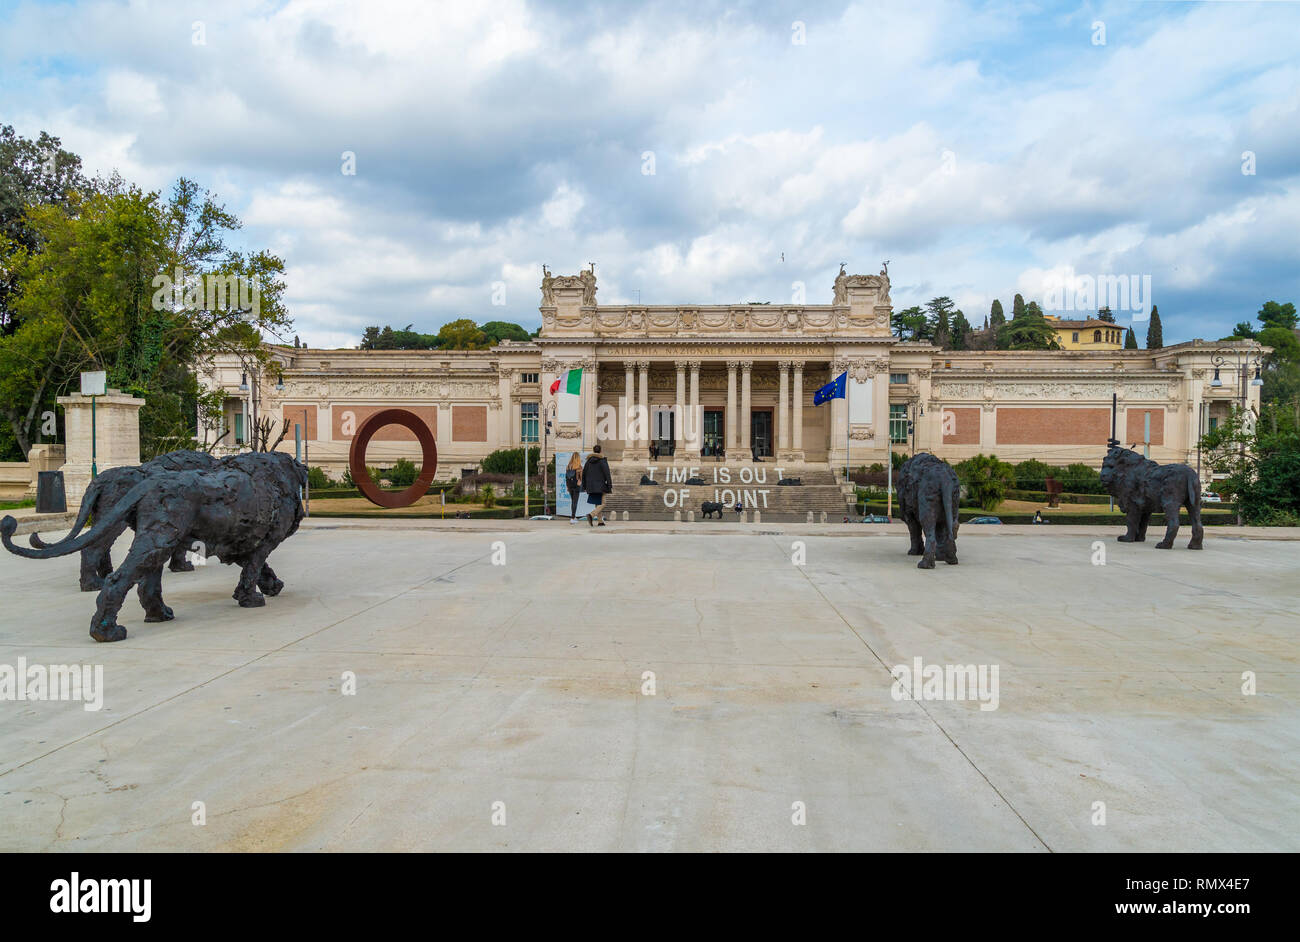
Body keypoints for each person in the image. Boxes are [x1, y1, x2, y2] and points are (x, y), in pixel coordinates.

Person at [582, 444, 613, 527]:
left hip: (591, 486)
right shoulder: (602, 461)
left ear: (593, 451)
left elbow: (584, 474)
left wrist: (584, 486)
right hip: (600, 485)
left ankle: (600, 521)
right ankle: (591, 515)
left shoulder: (588, 462)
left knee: (597, 503)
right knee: (603, 503)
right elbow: (607, 473)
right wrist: (609, 485)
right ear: (600, 451)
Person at [565, 452, 583, 525]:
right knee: (575, 502)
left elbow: (566, 477)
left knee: (573, 501)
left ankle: (573, 516)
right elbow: (581, 477)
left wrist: (567, 486)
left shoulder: (568, 466)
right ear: (578, 458)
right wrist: (580, 481)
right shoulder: (579, 467)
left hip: (570, 485)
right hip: (576, 486)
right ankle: (572, 518)